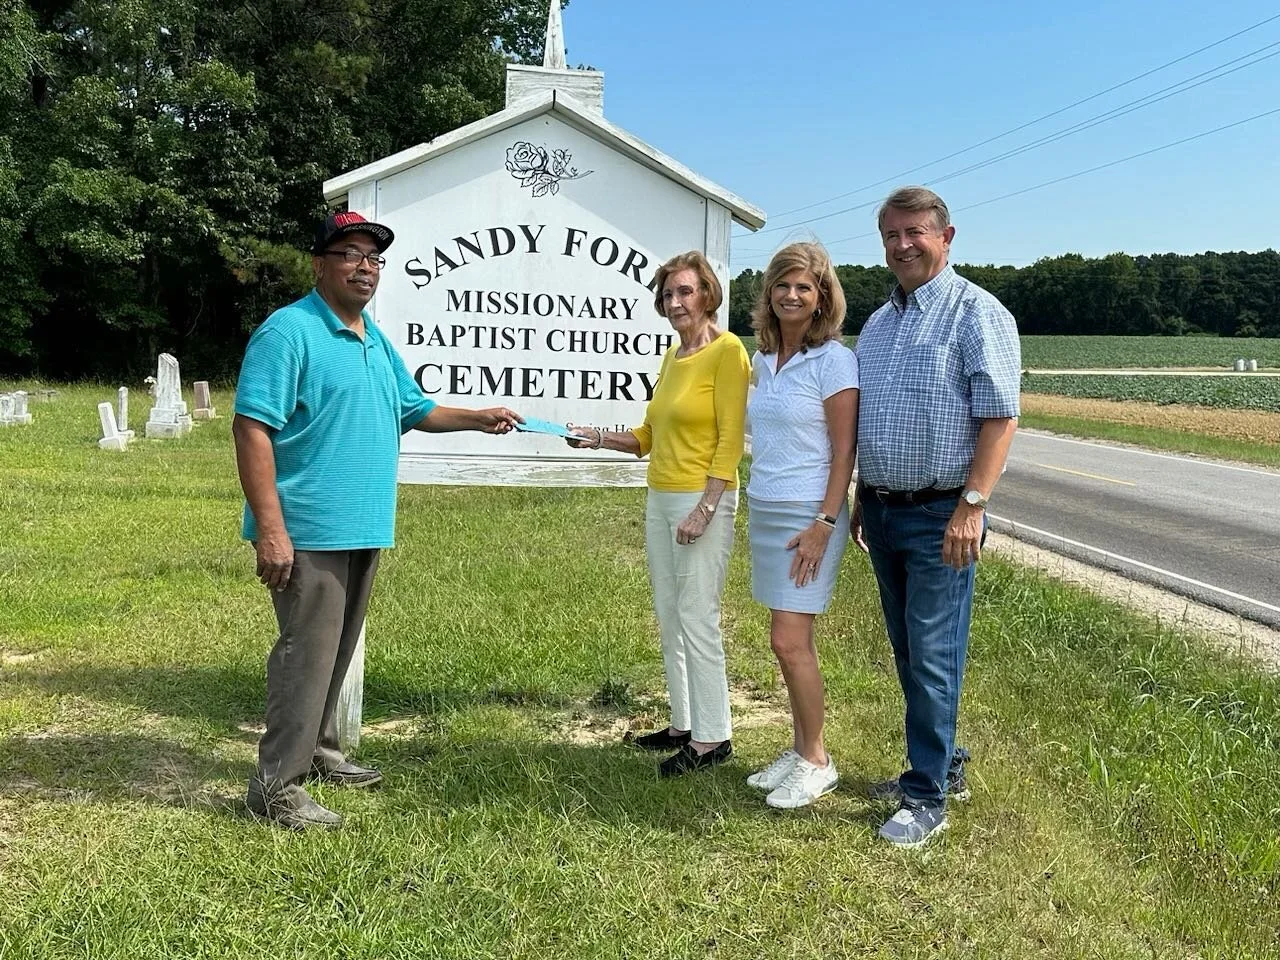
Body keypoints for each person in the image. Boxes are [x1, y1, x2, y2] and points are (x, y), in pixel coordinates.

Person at [234, 211, 521, 830]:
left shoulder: (372, 337)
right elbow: (252, 427)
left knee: (336, 650)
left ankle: (319, 753)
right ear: (319, 265)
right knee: (304, 654)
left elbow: (413, 407)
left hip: (362, 521)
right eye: (349, 254)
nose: (364, 267)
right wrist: (273, 530)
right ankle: (274, 789)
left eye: (374, 258)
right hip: (308, 527)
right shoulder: (289, 333)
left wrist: (477, 416)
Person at [852, 186, 1020, 847]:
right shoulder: (879, 325)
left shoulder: (976, 313)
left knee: (934, 655)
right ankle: (942, 766)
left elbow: (1000, 416)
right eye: (891, 235)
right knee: (909, 650)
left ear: (947, 236)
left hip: (940, 516)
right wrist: (865, 496)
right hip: (885, 512)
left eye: (915, 232)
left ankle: (926, 799)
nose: (901, 245)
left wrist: (972, 506)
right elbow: (874, 420)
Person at [567, 250, 750, 778]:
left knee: (698, 616)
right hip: (660, 496)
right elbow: (648, 437)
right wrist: (597, 438)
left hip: (702, 498)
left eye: (685, 291)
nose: (675, 302)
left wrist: (706, 507)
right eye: (668, 294)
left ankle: (714, 738)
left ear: (708, 294)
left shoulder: (729, 352)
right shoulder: (674, 358)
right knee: (671, 615)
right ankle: (683, 723)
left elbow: (730, 439)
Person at [742, 242, 858, 809]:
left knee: (791, 642)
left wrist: (824, 521)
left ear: (821, 299)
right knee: (783, 640)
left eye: (804, 288)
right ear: (769, 294)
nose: (791, 295)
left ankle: (817, 760)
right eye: (782, 285)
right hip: (765, 508)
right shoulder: (762, 360)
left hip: (808, 515)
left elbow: (844, 453)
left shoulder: (834, 360)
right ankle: (798, 748)